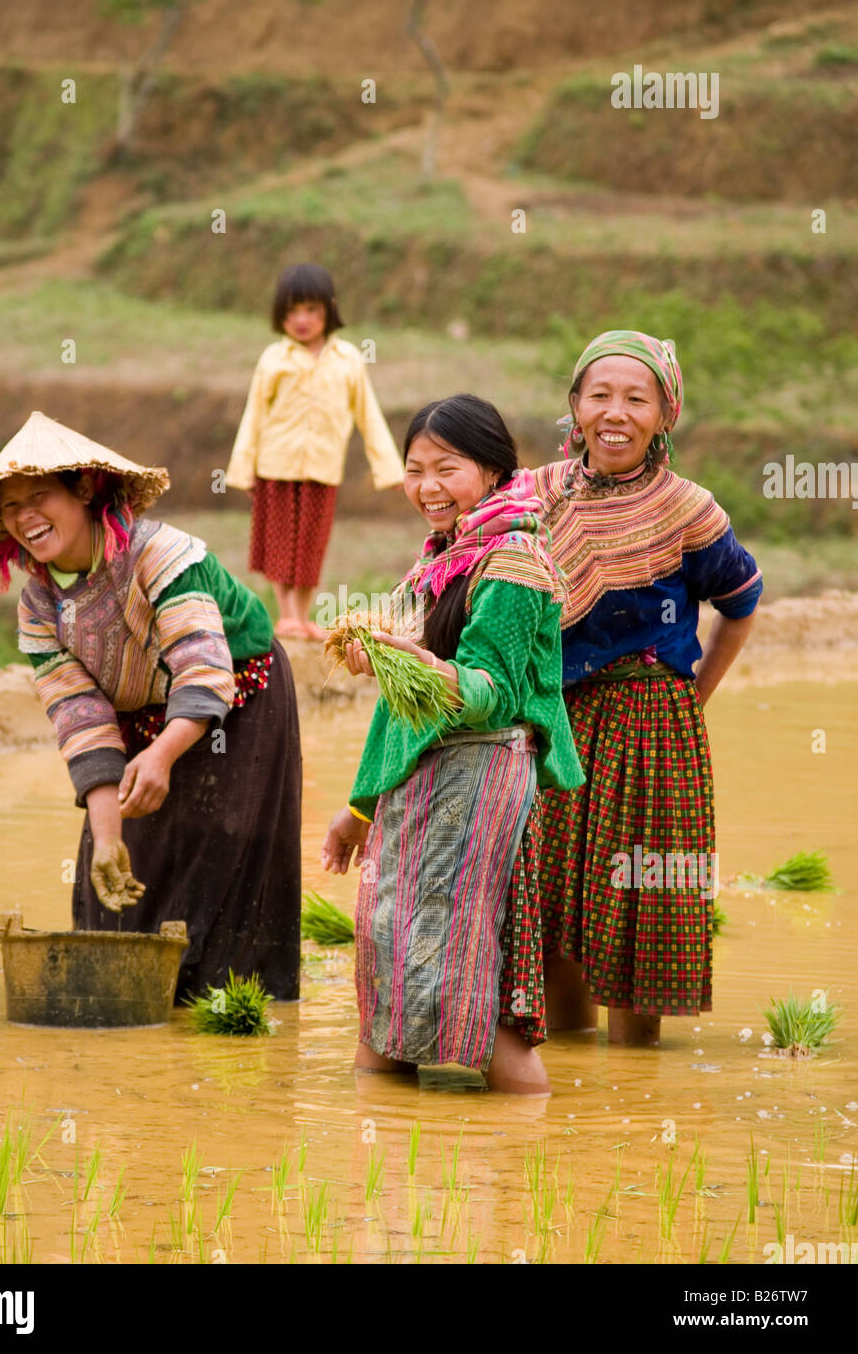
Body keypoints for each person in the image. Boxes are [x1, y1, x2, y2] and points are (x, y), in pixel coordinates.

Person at [0, 411, 302, 1002]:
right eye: (11, 507)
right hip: (144, 708)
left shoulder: (157, 554)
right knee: (114, 866)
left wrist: (161, 755)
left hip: (240, 690)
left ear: (84, 491)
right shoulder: (38, 607)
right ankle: (139, 1000)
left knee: (225, 841)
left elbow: (203, 667)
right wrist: (108, 834)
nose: (26, 517)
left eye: (40, 496)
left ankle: (230, 1003)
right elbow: (80, 718)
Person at [321, 395, 583, 1093]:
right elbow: (400, 711)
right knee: (386, 939)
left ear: (495, 471)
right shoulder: (441, 560)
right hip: (425, 783)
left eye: (447, 468)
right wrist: (359, 809)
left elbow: (491, 689)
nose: (427, 486)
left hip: (482, 773)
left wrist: (421, 665)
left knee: (461, 950)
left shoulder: (515, 559)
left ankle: (523, 1131)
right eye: (414, 470)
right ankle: (379, 1127)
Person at [527, 330, 762, 1045]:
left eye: (637, 398)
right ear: (574, 406)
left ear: (666, 414)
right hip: (556, 722)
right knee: (553, 895)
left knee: (642, 897)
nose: (615, 412)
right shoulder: (535, 499)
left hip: (655, 727)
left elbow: (741, 602)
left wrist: (692, 698)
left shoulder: (686, 509)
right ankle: (567, 1059)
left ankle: (633, 1071)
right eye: (599, 395)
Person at [225, 262, 405, 641]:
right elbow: (253, 415)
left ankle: (303, 616)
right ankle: (287, 614)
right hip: (275, 467)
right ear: (280, 315)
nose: (302, 320)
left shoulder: (349, 360)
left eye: (311, 310)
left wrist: (390, 470)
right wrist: (242, 471)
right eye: (292, 312)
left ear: (329, 309)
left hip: (323, 470)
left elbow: (368, 415)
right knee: (278, 546)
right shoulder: (273, 359)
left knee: (310, 546)